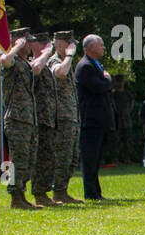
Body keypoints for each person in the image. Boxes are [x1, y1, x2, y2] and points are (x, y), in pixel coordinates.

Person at [0, 29, 45, 210]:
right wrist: (15, 47)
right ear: (19, 42)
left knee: (28, 159)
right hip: (16, 118)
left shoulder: (25, 64)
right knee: (17, 159)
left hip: (28, 118)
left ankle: (21, 195)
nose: (30, 44)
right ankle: (15, 197)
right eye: (28, 41)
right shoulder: (12, 60)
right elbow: (5, 61)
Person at [74, 34, 115, 201]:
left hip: (99, 119)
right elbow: (99, 87)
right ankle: (90, 192)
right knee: (90, 157)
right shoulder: (85, 67)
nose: (104, 48)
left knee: (96, 157)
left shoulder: (94, 65)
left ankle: (95, 191)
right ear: (90, 47)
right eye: (101, 45)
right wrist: (107, 79)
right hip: (90, 120)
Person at [50, 33, 82, 204]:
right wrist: (68, 55)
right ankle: (57, 191)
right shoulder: (55, 61)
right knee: (62, 156)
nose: (72, 47)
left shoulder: (68, 63)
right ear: (59, 45)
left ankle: (63, 191)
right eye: (69, 43)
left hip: (71, 117)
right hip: (60, 118)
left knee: (71, 157)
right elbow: (60, 73)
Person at [29, 33, 59, 206]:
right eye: (45, 44)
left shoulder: (45, 65)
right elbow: (36, 69)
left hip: (47, 118)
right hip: (36, 119)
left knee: (47, 157)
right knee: (37, 158)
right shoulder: (33, 63)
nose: (49, 47)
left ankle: (43, 192)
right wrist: (45, 54)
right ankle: (35, 193)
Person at [109, 75, 133, 163]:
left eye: (121, 81)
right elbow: (113, 105)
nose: (120, 83)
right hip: (117, 119)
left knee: (127, 140)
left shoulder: (127, 94)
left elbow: (131, 104)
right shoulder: (113, 94)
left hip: (126, 119)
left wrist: (127, 112)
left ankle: (127, 158)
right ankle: (115, 158)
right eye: (118, 81)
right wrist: (118, 112)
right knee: (115, 140)